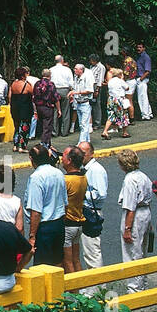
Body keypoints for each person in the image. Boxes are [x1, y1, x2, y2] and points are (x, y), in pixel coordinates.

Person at [116, 149, 156, 293]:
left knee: (132, 253)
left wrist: (127, 229)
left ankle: (134, 288)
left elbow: (130, 207)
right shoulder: (144, 176)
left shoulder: (129, 180)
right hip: (145, 213)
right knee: (142, 251)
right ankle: (142, 284)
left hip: (135, 216)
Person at [25, 143, 66, 267]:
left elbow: (36, 211)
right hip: (58, 223)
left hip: (44, 227)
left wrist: (32, 236)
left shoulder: (36, 178)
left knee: (42, 266)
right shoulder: (58, 173)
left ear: (32, 159)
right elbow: (65, 202)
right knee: (58, 263)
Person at [78, 140, 107, 270]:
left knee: (92, 252)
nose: (80, 156)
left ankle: (97, 287)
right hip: (83, 211)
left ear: (92, 154)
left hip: (91, 212)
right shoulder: (83, 169)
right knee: (86, 251)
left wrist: (81, 194)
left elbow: (100, 194)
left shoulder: (96, 170)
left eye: (83, 153)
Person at [60, 147, 88, 274]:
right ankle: (80, 289)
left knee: (67, 261)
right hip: (78, 224)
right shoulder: (83, 178)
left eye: (64, 156)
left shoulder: (67, 181)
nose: (61, 158)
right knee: (76, 260)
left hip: (68, 225)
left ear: (69, 160)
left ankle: (74, 292)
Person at [101, 68, 131, 139]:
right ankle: (125, 132)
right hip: (119, 99)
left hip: (111, 99)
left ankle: (105, 131)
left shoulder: (110, 81)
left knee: (111, 115)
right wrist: (122, 79)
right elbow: (127, 88)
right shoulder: (120, 81)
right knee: (124, 115)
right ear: (120, 74)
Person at [8, 69, 33, 153]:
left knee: (17, 126)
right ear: (23, 76)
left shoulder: (13, 84)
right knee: (24, 127)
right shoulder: (26, 85)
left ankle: (15, 145)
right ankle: (22, 146)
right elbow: (33, 94)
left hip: (15, 107)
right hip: (25, 108)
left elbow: (9, 96)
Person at [32, 69, 58, 147]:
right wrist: (59, 109)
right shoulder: (51, 84)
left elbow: (34, 97)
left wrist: (35, 110)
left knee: (42, 125)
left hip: (39, 107)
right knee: (47, 126)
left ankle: (47, 143)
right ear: (50, 75)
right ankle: (44, 144)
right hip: (47, 107)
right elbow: (56, 97)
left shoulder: (37, 83)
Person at [51, 56, 74, 136]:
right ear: (62, 61)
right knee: (66, 110)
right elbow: (71, 82)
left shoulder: (51, 70)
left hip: (54, 90)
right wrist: (71, 91)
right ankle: (64, 131)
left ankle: (54, 132)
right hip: (65, 90)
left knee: (54, 111)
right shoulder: (67, 70)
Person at [70, 63, 93, 143]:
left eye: (76, 69)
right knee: (81, 124)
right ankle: (87, 141)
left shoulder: (86, 77)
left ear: (81, 70)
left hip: (85, 103)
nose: (74, 70)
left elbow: (89, 90)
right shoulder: (76, 78)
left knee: (84, 124)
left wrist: (76, 93)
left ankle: (81, 142)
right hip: (78, 102)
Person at [134, 41, 154, 121]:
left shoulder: (146, 57)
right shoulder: (138, 56)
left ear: (144, 48)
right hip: (140, 78)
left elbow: (148, 71)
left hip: (142, 78)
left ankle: (145, 115)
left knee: (142, 97)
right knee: (144, 96)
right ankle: (149, 113)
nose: (138, 49)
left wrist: (140, 79)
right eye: (137, 47)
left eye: (140, 47)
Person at [88, 54, 107, 130]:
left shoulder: (101, 67)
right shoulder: (91, 67)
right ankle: (91, 122)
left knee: (96, 104)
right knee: (91, 104)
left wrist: (97, 90)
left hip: (96, 86)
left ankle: (97, 123)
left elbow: (100, 79)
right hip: (91, 85)